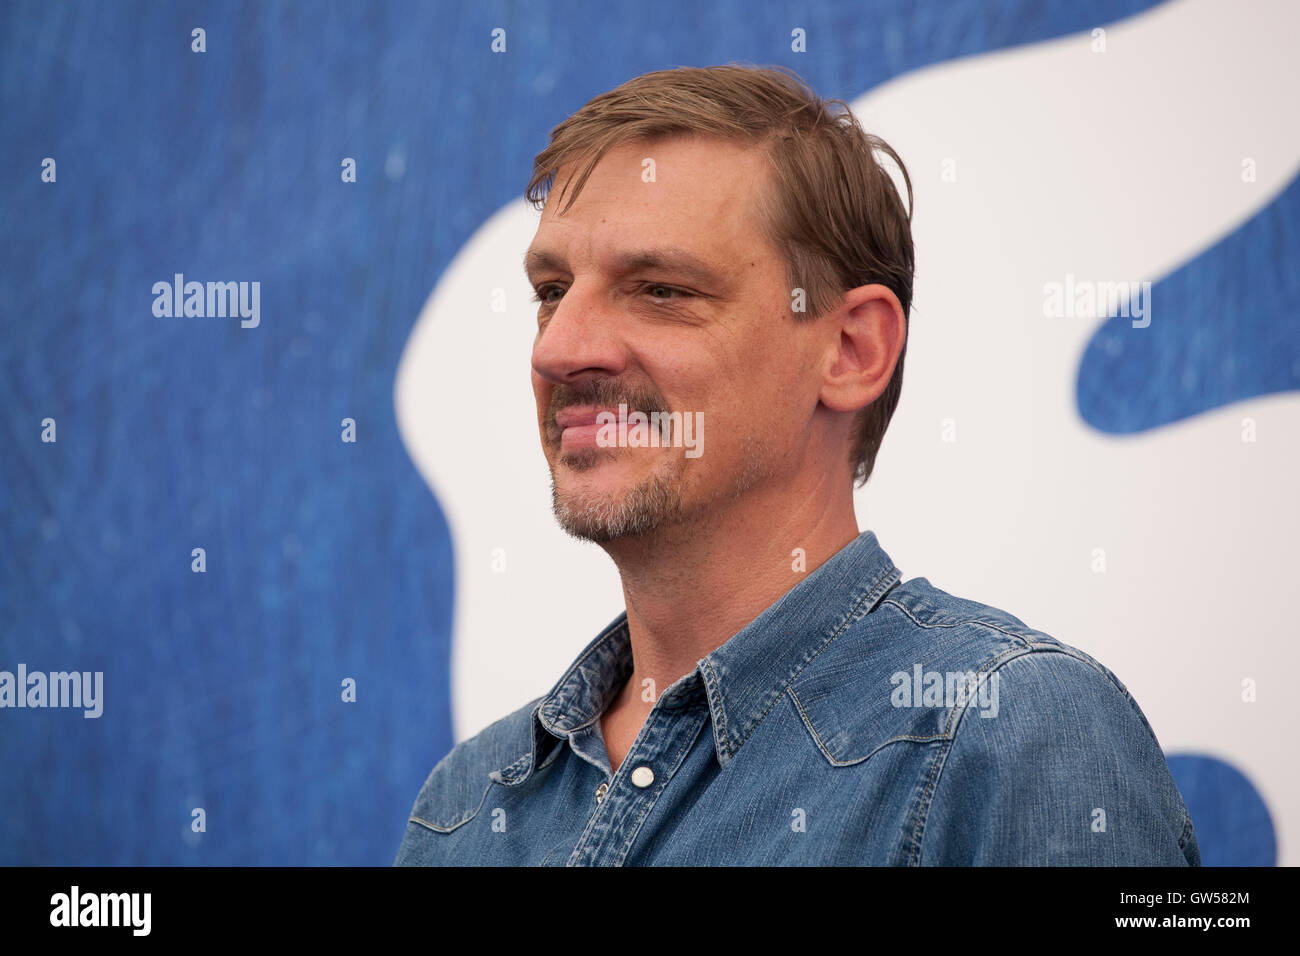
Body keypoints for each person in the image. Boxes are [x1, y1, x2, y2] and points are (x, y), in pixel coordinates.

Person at [394, 63, 1200, 866]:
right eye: (551, 289)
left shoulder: (1007, 731)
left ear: (851, 350)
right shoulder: (465, 807)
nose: (560, 348)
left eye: (663, 290)